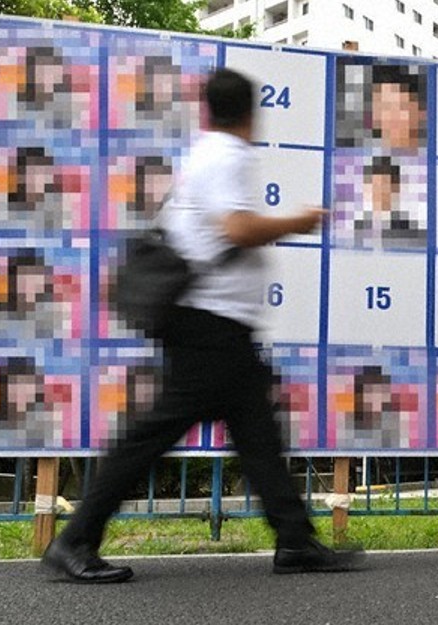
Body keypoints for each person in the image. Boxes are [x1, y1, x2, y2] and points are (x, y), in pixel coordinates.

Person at [42, 68, 365, 584]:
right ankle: (76, 538)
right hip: (206, 323)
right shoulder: (225, 155)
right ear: (250, 112)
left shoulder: (209, 154)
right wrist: (299, 221)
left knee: (257, 432)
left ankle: (295, 540)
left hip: (219, 325)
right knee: (153, 435)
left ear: (208, 108)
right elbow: (237, 229)